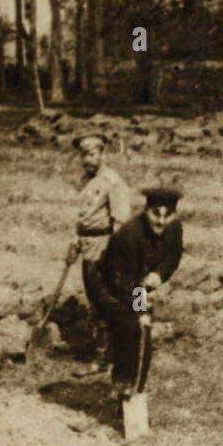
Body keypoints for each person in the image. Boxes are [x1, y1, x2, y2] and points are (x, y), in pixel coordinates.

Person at [88, 180, 184, 401]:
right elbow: (119, 279)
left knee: (144, 338)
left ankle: (135, 387)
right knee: (131, 329)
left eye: (167, 215)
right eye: (155, 213)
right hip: (107, 286)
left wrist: (158, 275)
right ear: (146, 210)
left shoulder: (175, 229)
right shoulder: (129, 235)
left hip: (136, 286)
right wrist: (142, 307)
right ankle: (121, 385)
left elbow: (173, 257)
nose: (161, 220)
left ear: (173, 215)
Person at [67, 132, 131, 374]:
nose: (87, 159)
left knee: (104, 302)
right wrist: (75, 240)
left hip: (103, 248)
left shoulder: (112, 183)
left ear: (103, 154)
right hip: (88, 245)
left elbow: (120, 223)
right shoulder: (88, 181)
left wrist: (111, 257)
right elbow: (83, 217)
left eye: (92, 154)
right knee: (95, 301)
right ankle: (104, 352)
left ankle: (104, 358)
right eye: (83, 155)